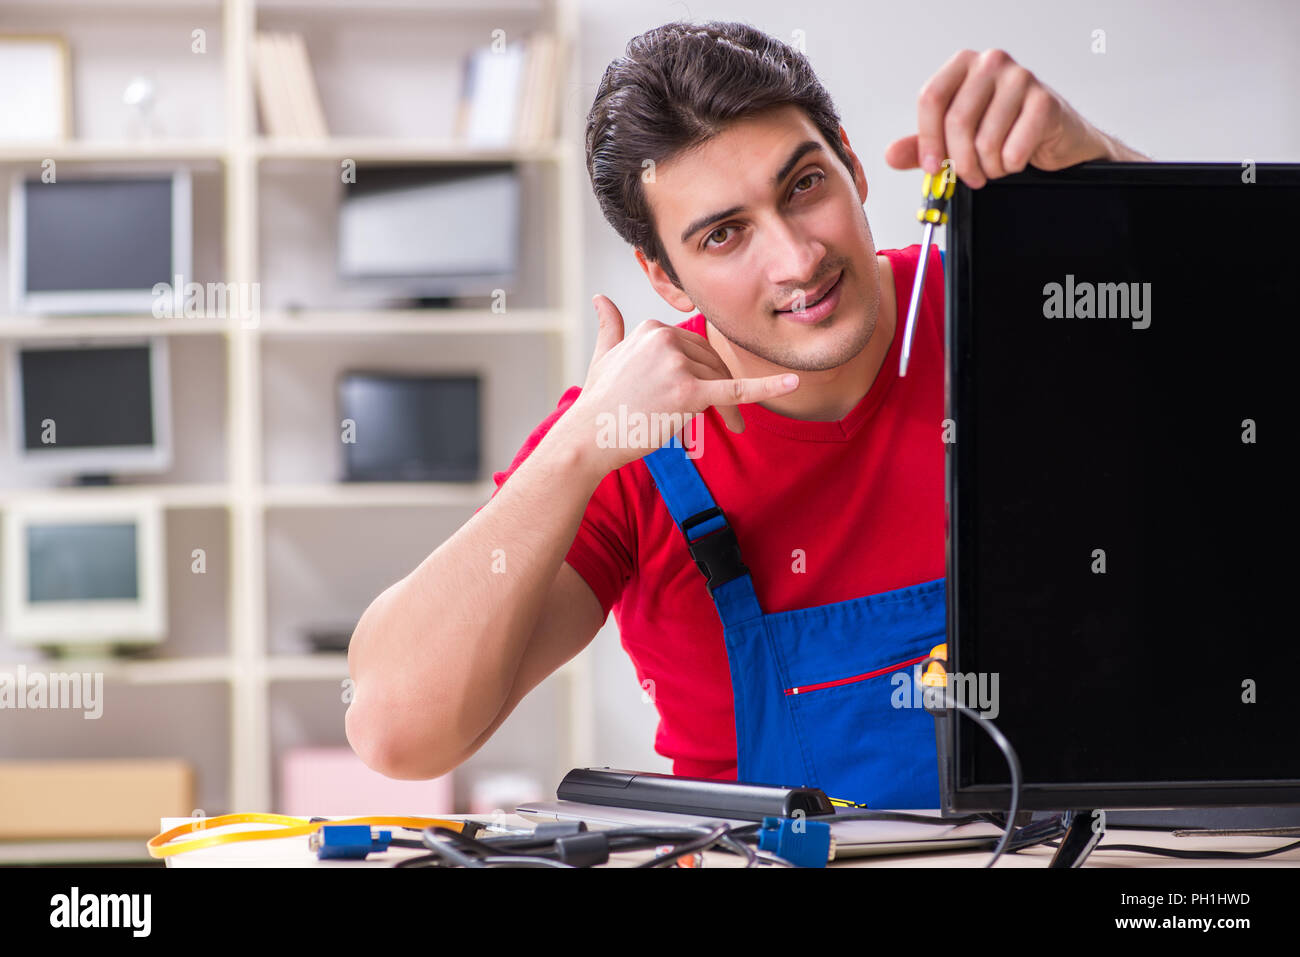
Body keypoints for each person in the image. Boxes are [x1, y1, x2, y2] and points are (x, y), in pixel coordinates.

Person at [345, 20, 1148, 807]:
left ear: (854, 166)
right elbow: (398, 732)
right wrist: (573, 452)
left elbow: (1254, 339)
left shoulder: (1003, 303)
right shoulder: (629, 446)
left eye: (804, 185)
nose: (798, 259)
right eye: (725, 234)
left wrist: (1106, 169)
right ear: (663, 277)